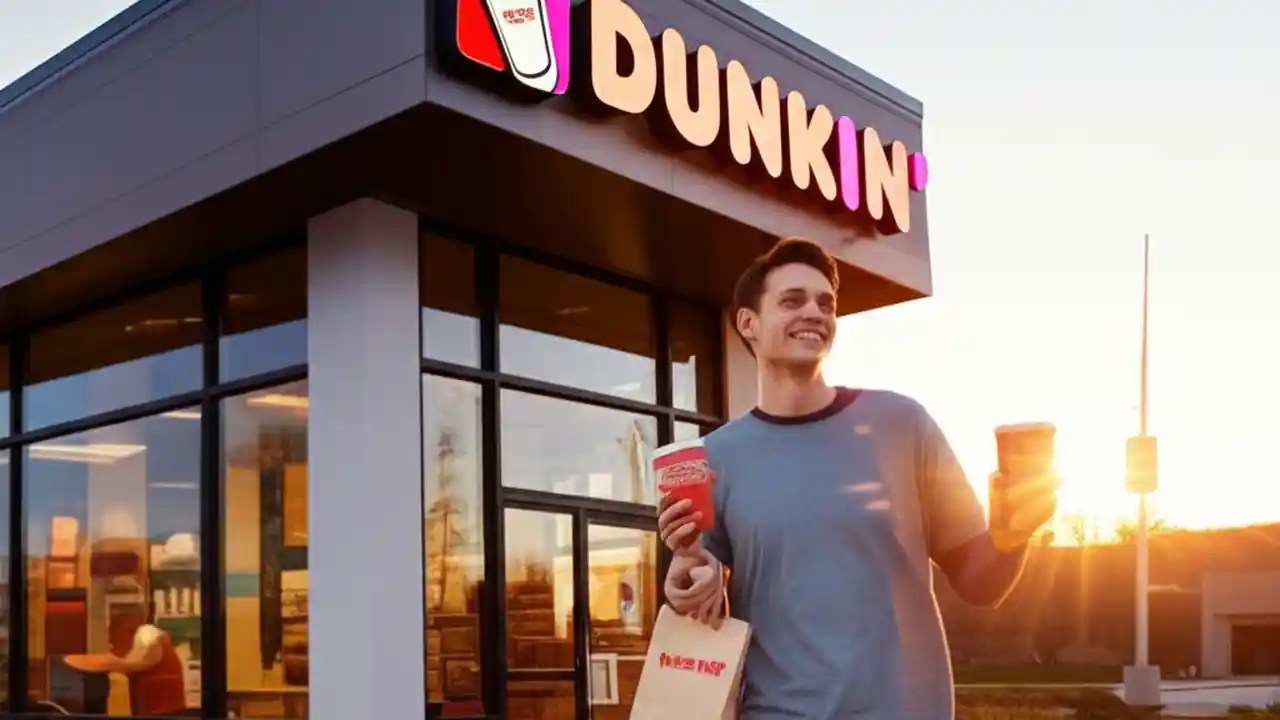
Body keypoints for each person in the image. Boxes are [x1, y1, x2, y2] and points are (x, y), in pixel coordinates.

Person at [658, 237, 1058, 719]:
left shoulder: (902, 424)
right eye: (792, 300)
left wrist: (1013, 535)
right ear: (749, 323)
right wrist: (688, 581)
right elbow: (701, 592)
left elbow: (982, 587)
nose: (815, 312)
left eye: (825, 303)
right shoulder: (714, 457)